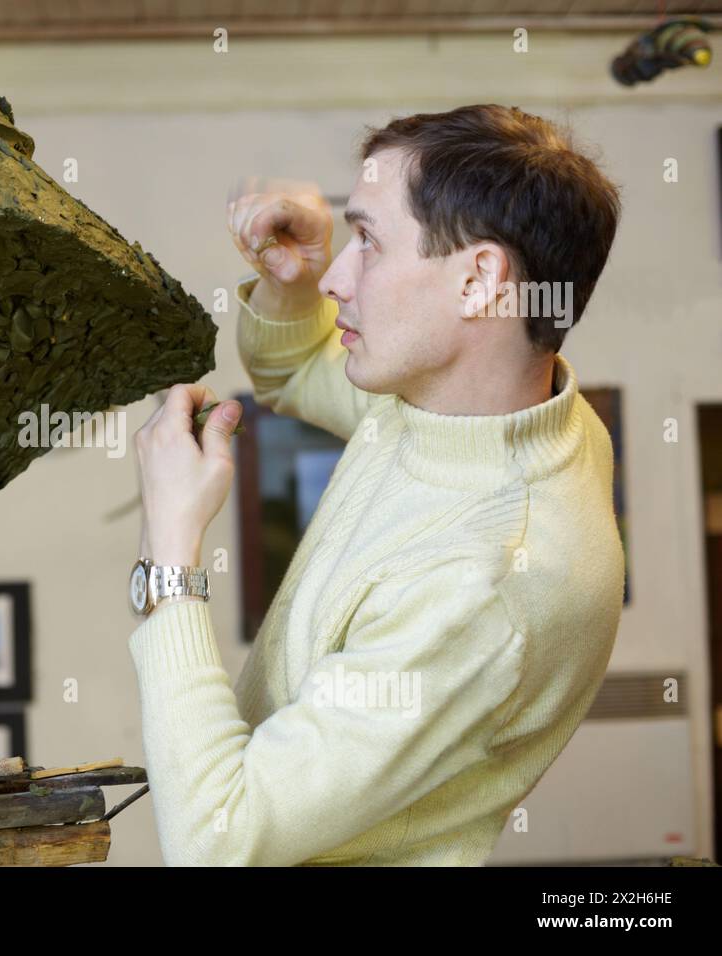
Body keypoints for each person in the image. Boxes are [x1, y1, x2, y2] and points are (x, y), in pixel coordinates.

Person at [128, 104, 625, 866]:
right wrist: (290, 287)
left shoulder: (484, 588)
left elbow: (216, 842)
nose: (336, 277)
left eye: (367, 241)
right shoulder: (476, 406)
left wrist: (170, 563)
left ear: (479, 279)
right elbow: (298, 373)